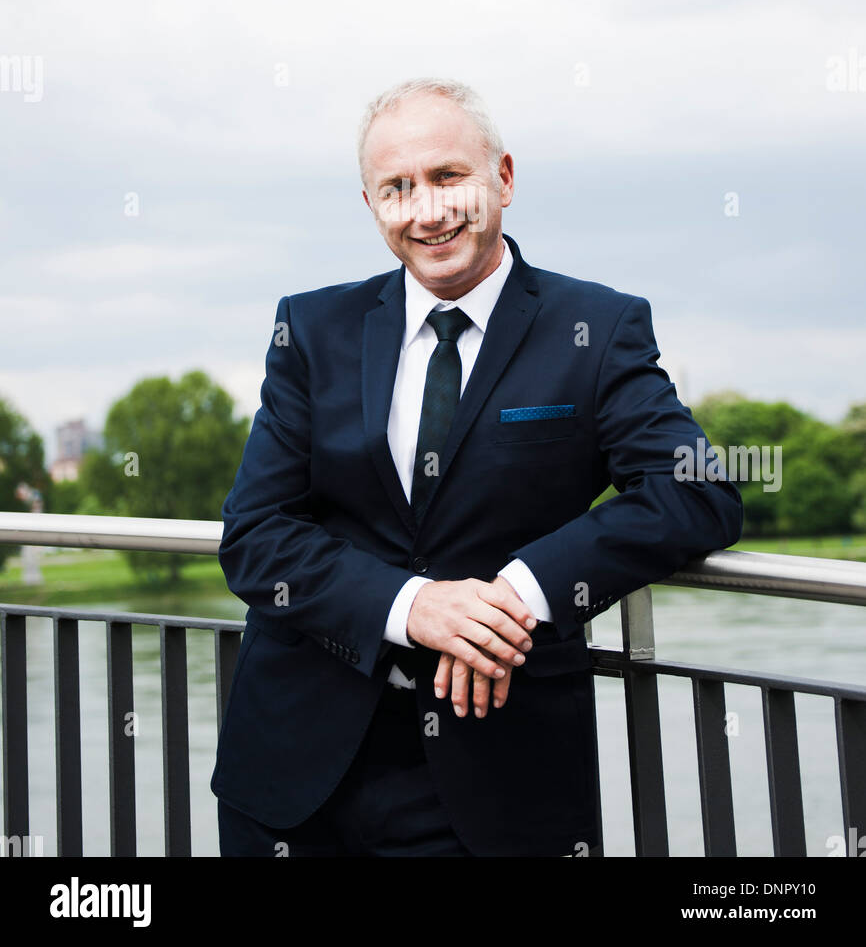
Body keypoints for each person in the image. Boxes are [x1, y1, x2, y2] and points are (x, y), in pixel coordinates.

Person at [211, 77, 743, 856]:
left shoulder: (596, 327)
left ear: (504, 177)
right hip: (292, 777)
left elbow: (698, 491)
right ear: (371, 206)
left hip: (495, 785)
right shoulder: (312, 328)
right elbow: (255, 534)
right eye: (397, 188)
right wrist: (411, 604)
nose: (427, 211)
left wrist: (520, 595)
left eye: (448, 177)